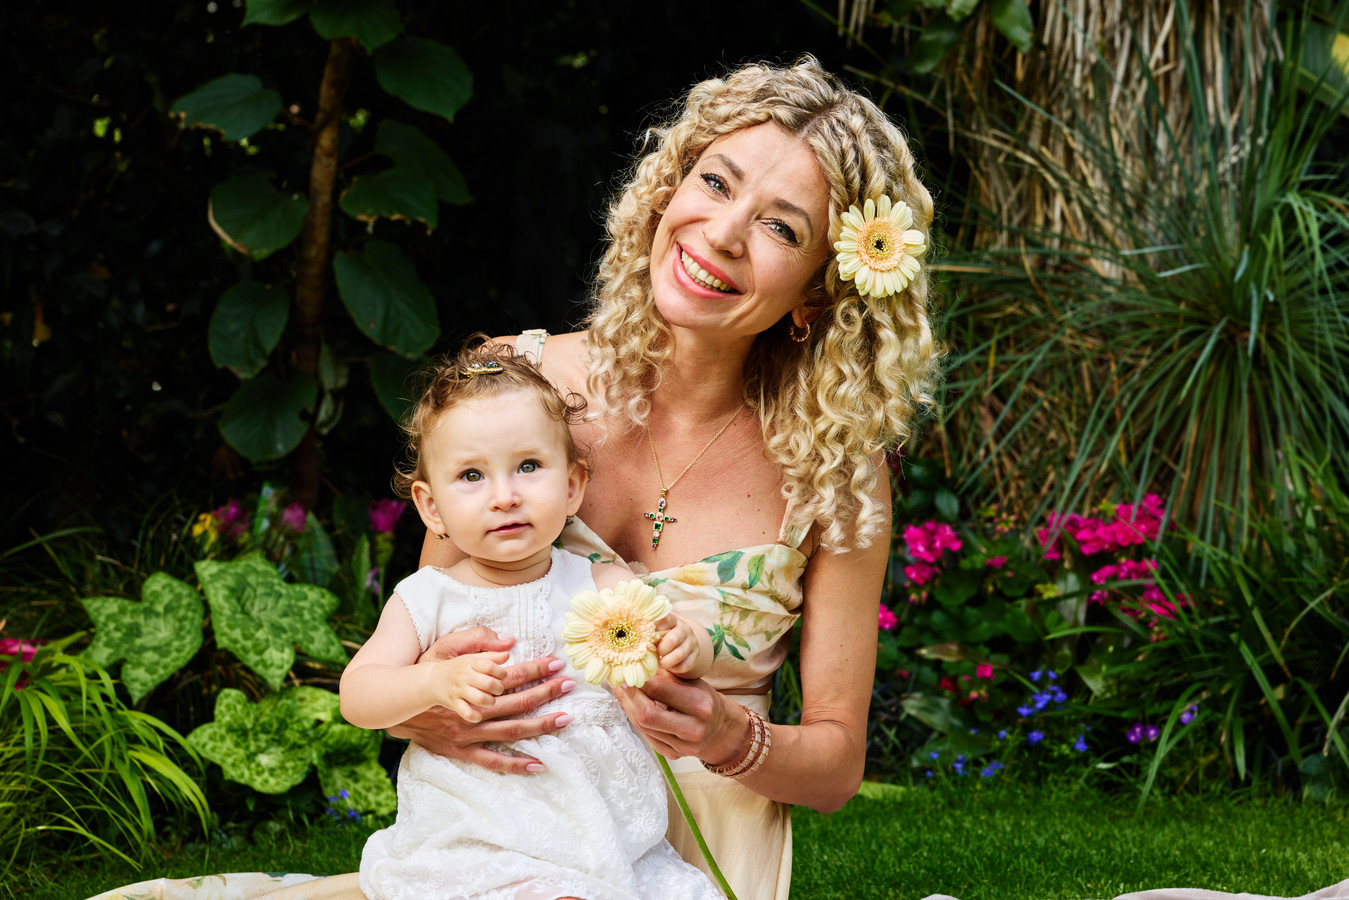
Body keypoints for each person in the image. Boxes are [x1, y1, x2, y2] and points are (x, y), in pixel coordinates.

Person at [392, 54, 941, 900]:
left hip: (699, 863)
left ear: (817, 296)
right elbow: (409, 662)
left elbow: (835, 767)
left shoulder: (837, 473)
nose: (721, 233)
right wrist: (432, 702)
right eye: (715, 183)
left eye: (781, 228)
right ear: (667, 191)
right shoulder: (509, 387)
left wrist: (728, 734)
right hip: (495, 850)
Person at [340, 343, 721, 900]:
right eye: (471, 475)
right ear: (430, 507)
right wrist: (430, 682)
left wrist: (688, 646)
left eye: (528, 467)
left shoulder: (597, 584)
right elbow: (358, 693)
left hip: (599, 828)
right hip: (476, 824)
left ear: (571, 486)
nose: (504, 496)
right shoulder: (428, 598)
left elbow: (674, 645)